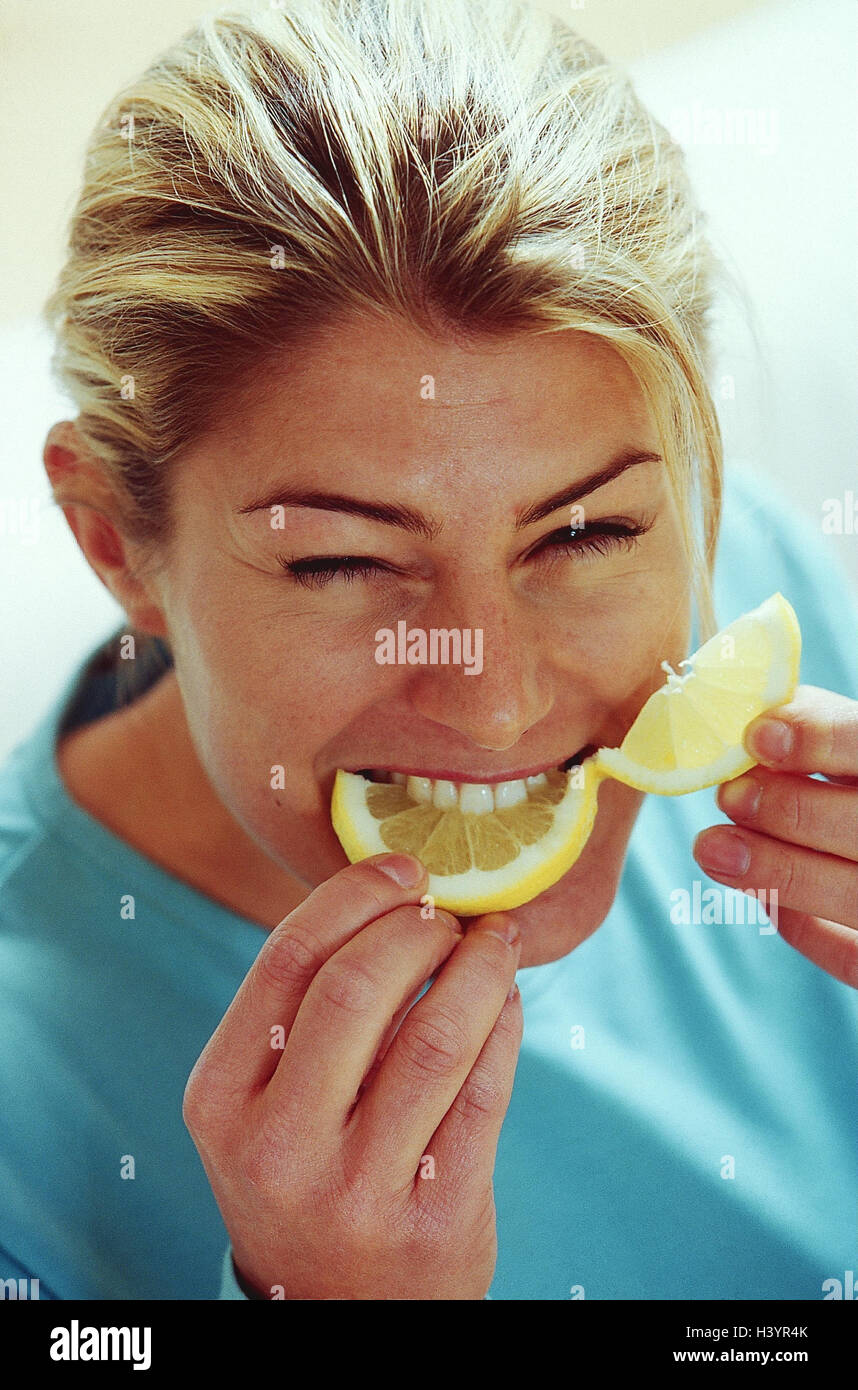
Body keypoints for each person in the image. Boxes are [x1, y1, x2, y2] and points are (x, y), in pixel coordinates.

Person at [1, 0, 855, 1301]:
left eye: (584, 531)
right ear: (117, 542)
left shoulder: (756, 621)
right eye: (343, 560)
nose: (497, 699)